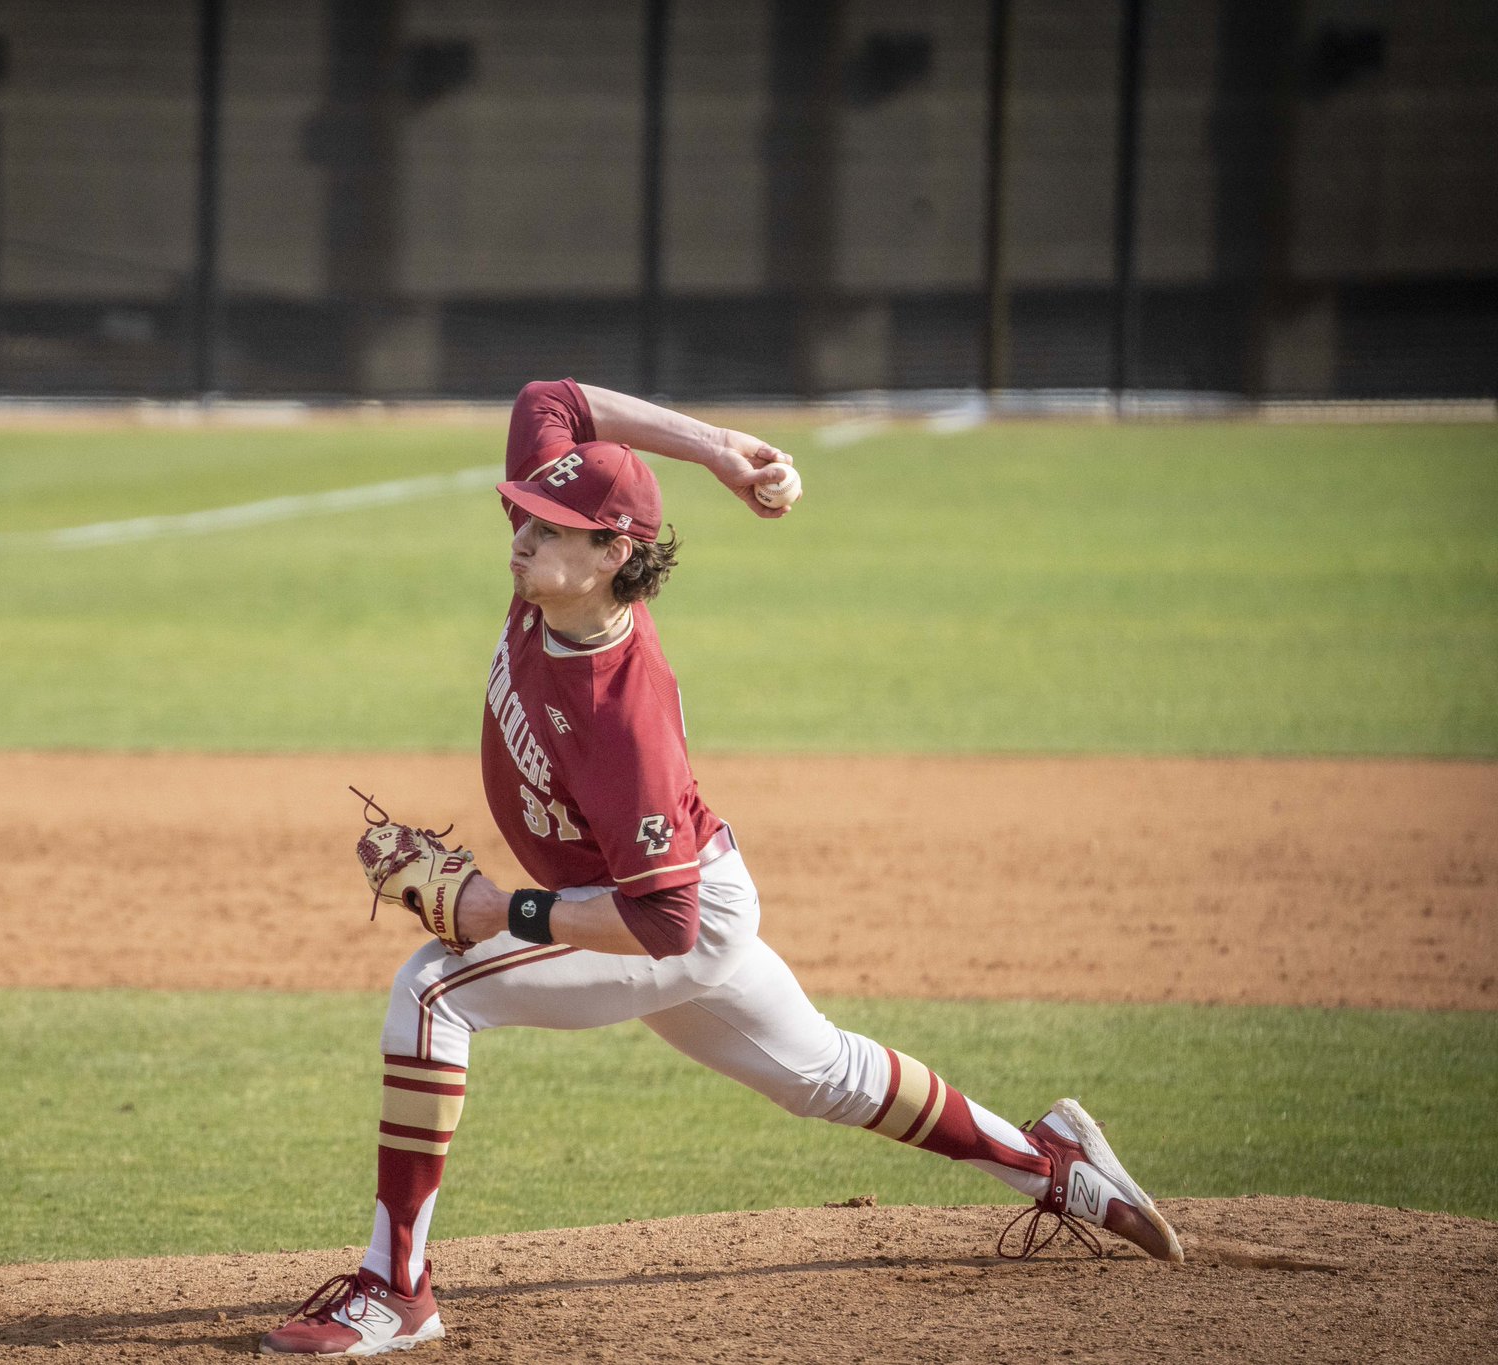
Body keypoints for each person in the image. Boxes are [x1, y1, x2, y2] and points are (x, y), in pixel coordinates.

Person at [260, 380, 1181, 1356]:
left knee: (435, 994)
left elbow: (663, 927)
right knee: (820, 1073)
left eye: (549, 526)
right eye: (525, 512)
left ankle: (394, 1289)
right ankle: (1056, 1166)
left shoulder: (625, 716)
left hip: (665, 916)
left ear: (614, 554)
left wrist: (499, 909)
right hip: (685, 895)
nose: (520, 532)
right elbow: (553, 398)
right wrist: (716, 451)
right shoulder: (559, 559)